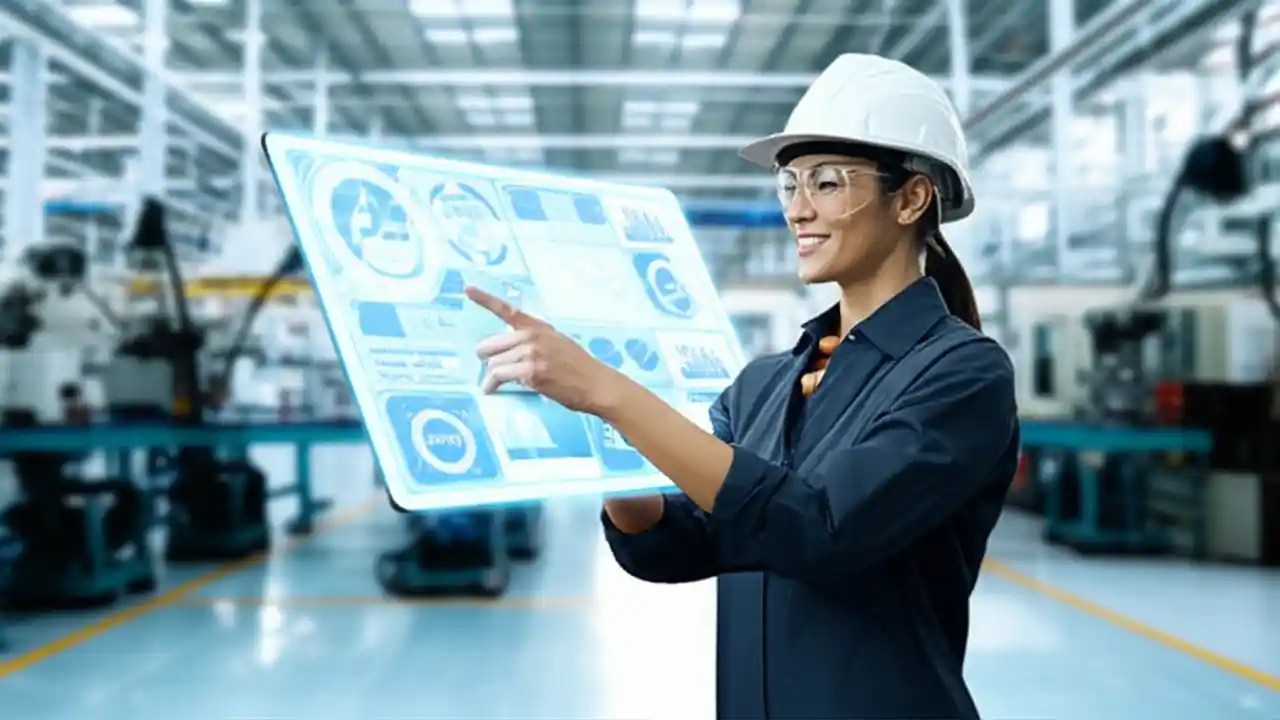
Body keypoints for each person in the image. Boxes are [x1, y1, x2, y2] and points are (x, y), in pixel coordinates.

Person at [465, 53, 1020, 720]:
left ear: (911, 198)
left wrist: (609, 392)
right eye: (789, 185)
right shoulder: (765, 383)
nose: (799, 210)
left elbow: (817, 528)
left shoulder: (962, 374)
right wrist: (603, 440)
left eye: (827, 182)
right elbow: (682, 542)